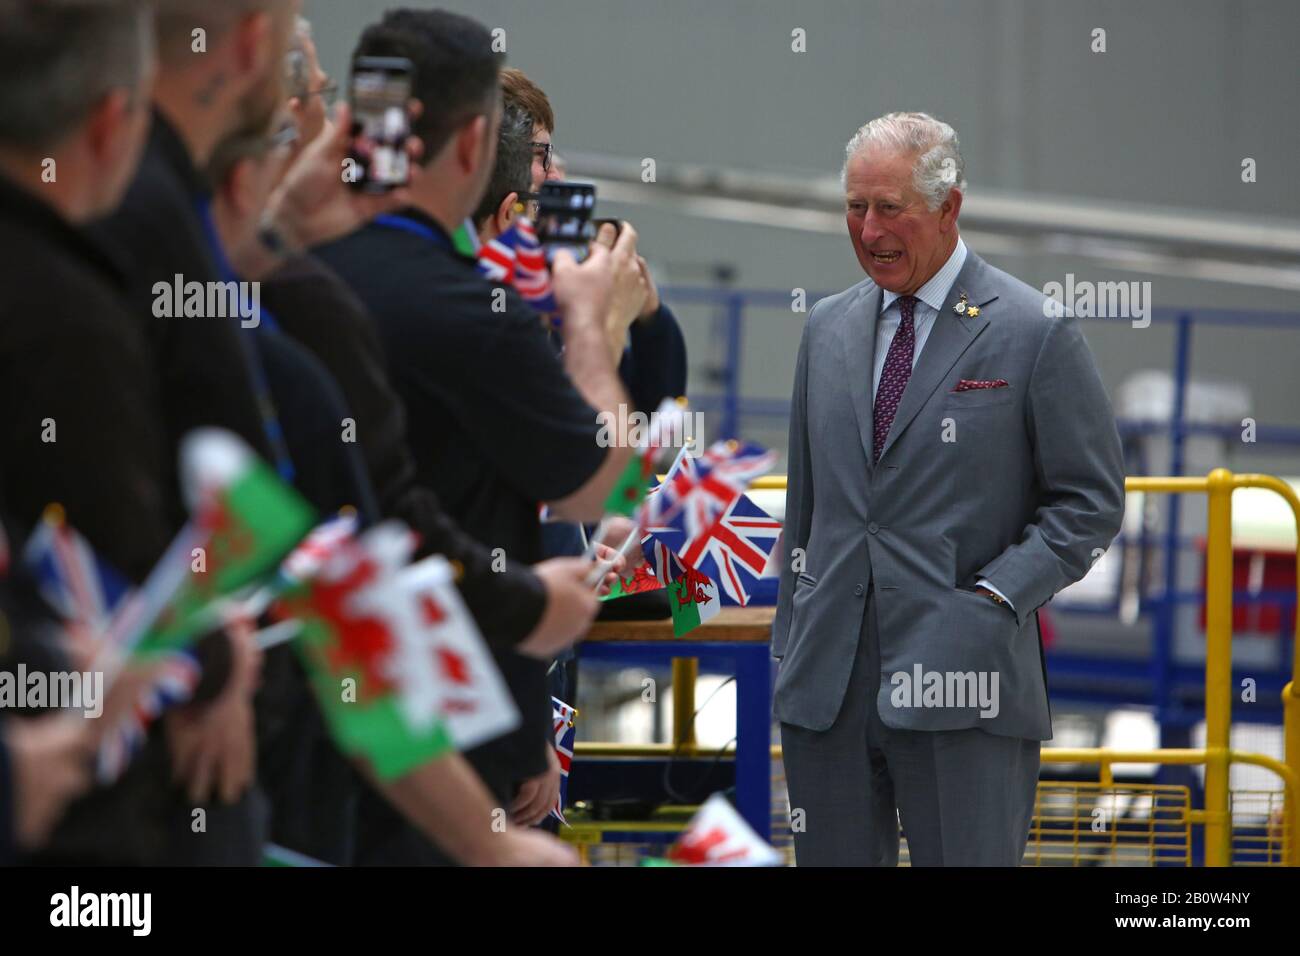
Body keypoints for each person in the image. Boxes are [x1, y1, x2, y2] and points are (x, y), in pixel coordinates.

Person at [317, 7, 648, 863]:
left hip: (299, 717)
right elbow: (597, 481)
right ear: (474, 148)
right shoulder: (474, 311)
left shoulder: (287, 279)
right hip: (433, 727)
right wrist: (593, 325)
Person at [772, 112, 1125, 866]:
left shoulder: (1036, 330)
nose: (869, 231)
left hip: (966, 680)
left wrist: (995, 601)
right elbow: (806, 514)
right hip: (827, 689)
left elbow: (1089, 502)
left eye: (890, 208)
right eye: (855, 208)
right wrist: (789, 647)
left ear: (948, 207)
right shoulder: (826, 330)